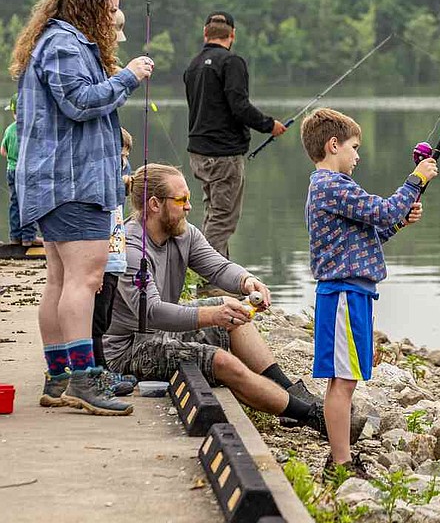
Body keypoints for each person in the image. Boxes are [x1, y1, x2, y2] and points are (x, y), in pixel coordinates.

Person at [103, 163, 345, 437]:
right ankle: (314, 417)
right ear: (155, 204)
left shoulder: (183, 233)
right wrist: (214, 315)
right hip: (130, 350)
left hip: (162, 333)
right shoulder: (132, 251)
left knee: (236, 316)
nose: (189, 207)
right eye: (181, 200)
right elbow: (153, 313)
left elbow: (218, 268)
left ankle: (290, 390)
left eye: (189, 198)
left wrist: (247, 281)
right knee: (221, 361)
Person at [9, 0, 154, 416]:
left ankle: (59, 377)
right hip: (71, 182)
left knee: (59, 278)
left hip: (60, 181)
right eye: (111, 9)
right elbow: (79, 102)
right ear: (90, 7)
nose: (114, 18)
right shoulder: (64, 44)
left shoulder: (58, 41)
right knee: (85, 279)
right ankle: (83, 379)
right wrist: (128, 77)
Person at [300, 107, 438, 478]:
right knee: (343, 381)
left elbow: (370, 234)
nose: (358, 156)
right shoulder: (332, 185)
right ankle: (340, 464)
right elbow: (383, 210)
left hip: (352, 292)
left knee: (345, 379)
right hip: (343, 294)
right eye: (354, 147)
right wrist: (416, 179)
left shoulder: (331, 188)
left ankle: (340, 458)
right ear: (333, 145)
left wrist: (400, 222)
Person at [183, 11, 287, 258]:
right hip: (223, 155)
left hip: (199, 153)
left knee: (214, 213)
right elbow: (239, 106)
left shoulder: (193, 65)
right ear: (233, 35)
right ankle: (209, 273)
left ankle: (216, 268)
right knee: (222, 219)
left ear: (205, 33)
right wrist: (269, 125)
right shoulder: (232, 63)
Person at [91, 127, 137, 396]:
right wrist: (96, 266)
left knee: (104, 319)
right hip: (103, 261)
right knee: (96, 322)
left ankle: (102, 369)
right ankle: (97, 372)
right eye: (120, 155)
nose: (124, 161)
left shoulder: (115, 180)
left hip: (114, 261)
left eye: (126, 156)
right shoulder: (99, 185)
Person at [1, 92, 42, 246]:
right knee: (29, 203)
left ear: (14, 112)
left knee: (15, 203)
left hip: (11, 170)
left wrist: (12, 158)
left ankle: (15, 236)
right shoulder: (33, 129)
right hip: (28, 172)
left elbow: (3, 151)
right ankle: (29, 237)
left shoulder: (9, 129)